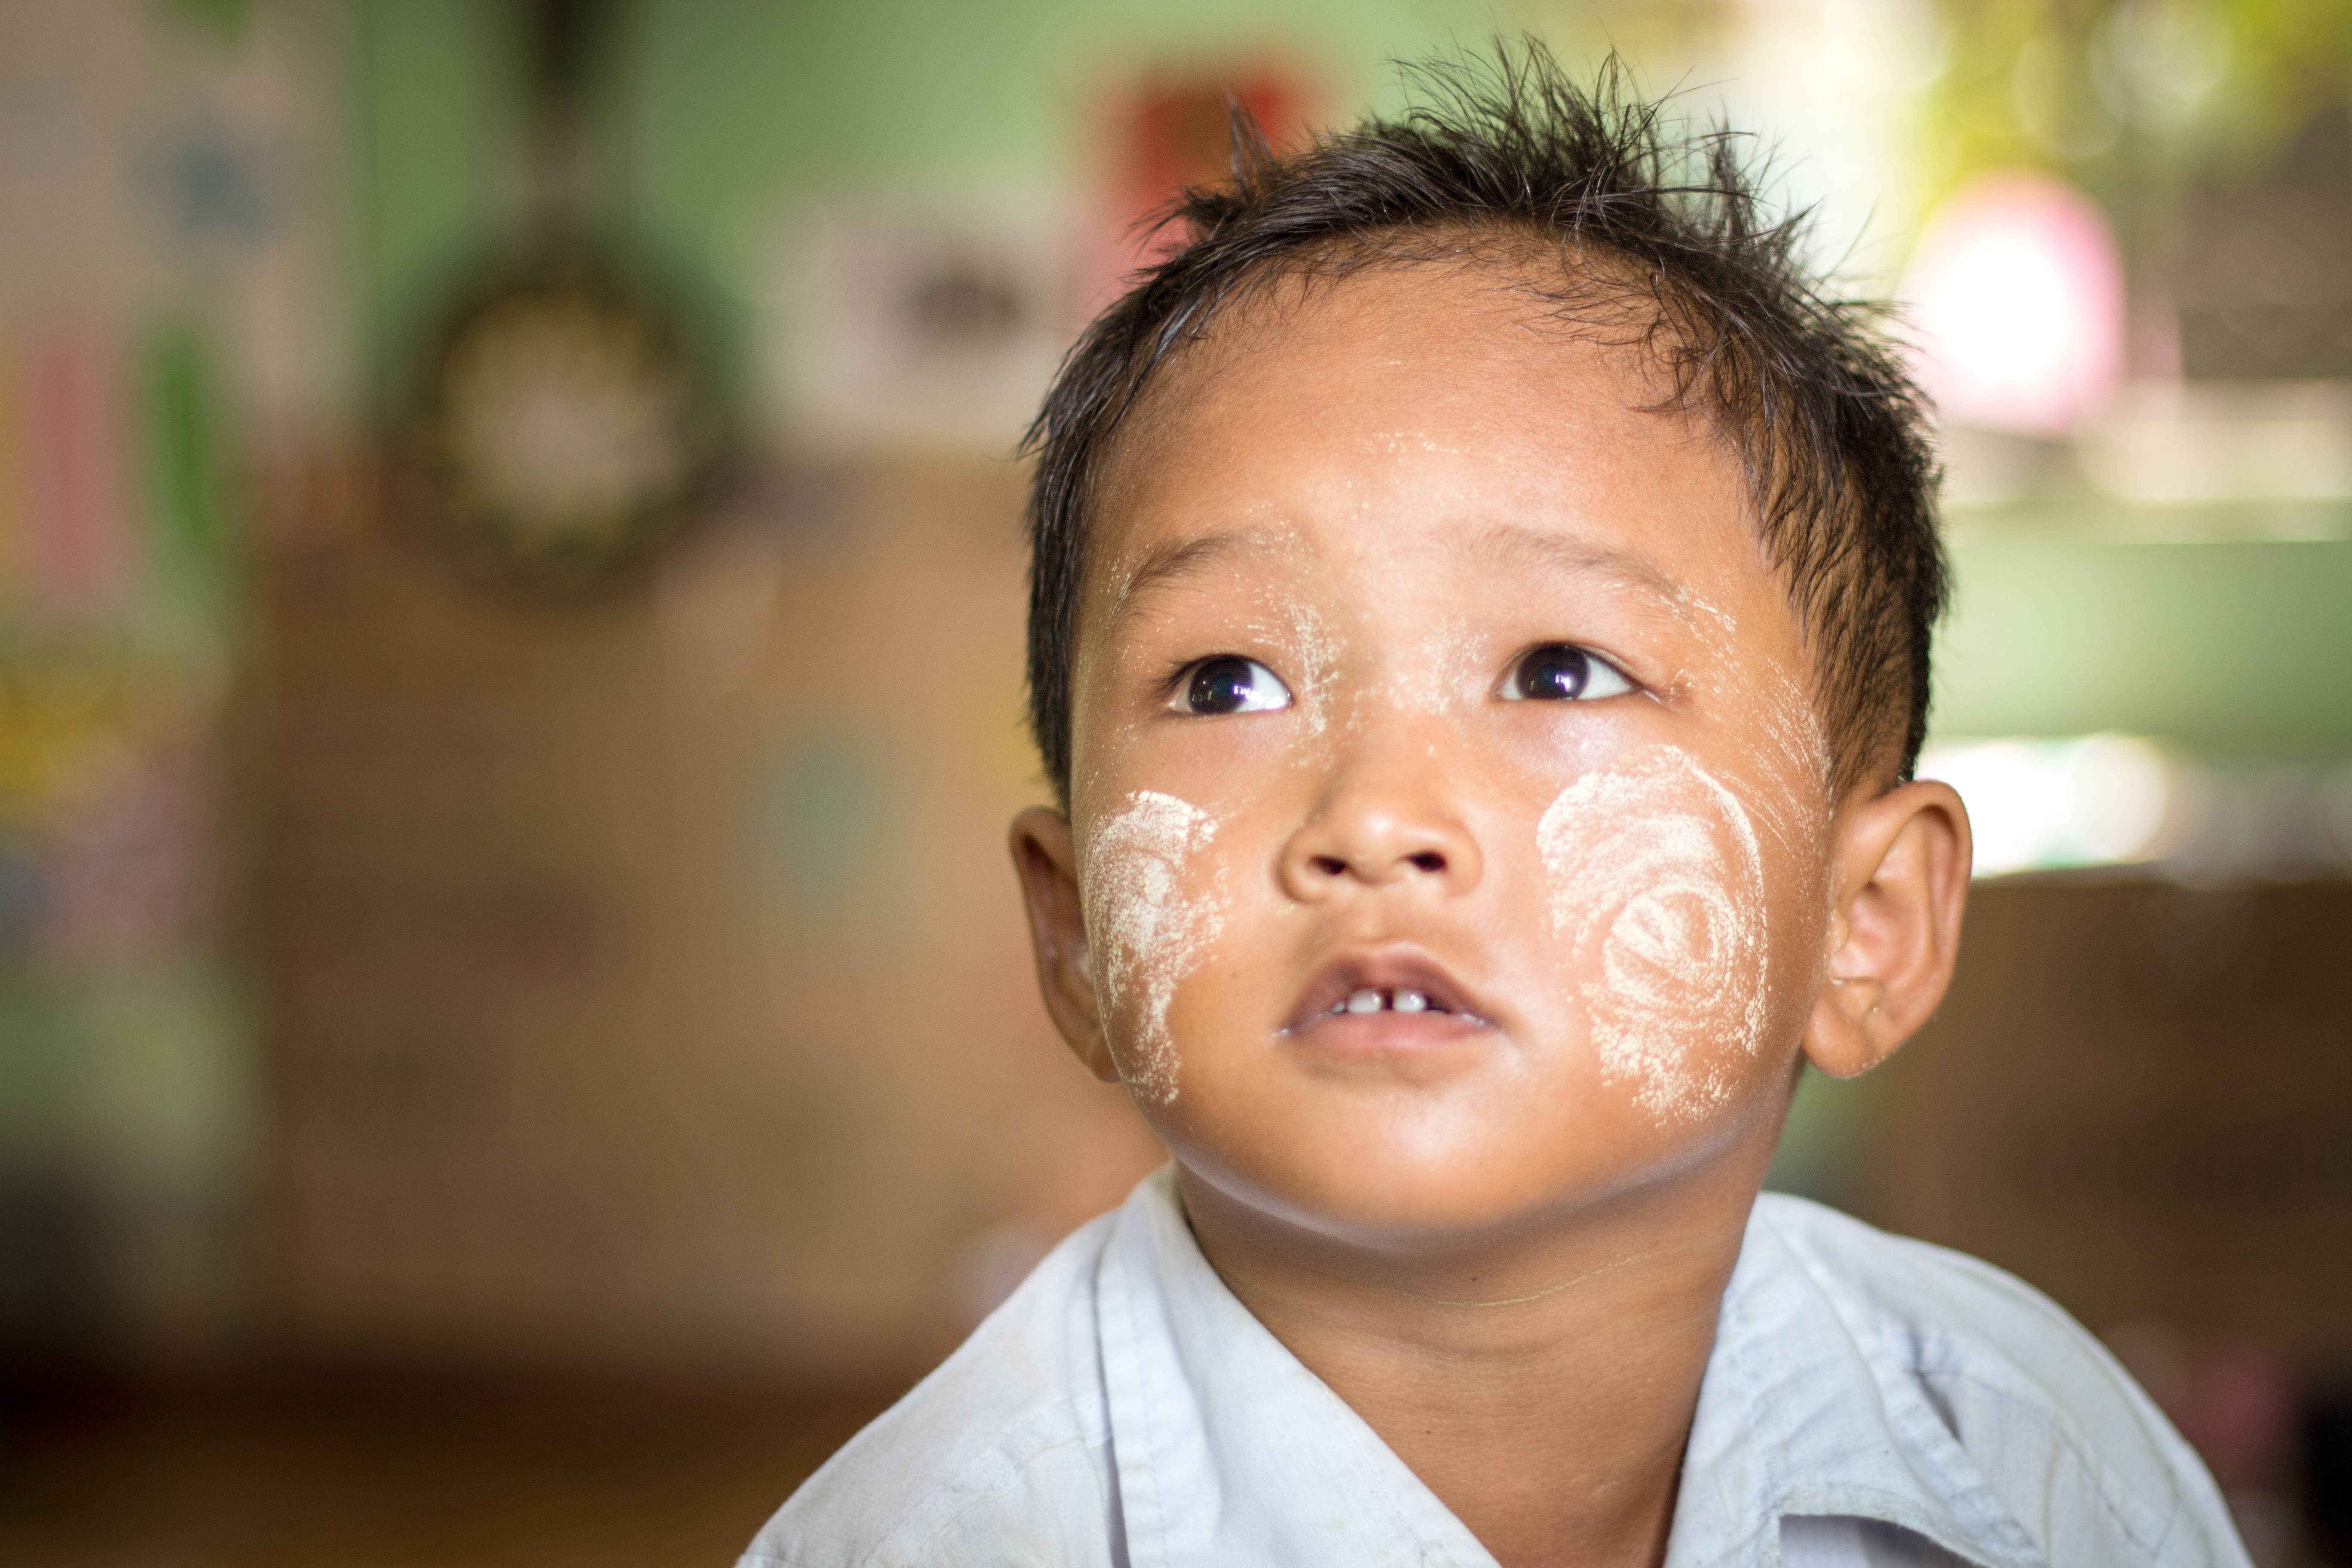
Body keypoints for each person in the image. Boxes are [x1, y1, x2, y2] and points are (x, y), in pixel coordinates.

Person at [741, 43, 2250, 1568]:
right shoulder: (945, 1540)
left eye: (1558, 671)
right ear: (1074, 942)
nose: (1377, 816)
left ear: (1866, 926)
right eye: (1226, 686)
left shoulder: (2045, 1466)